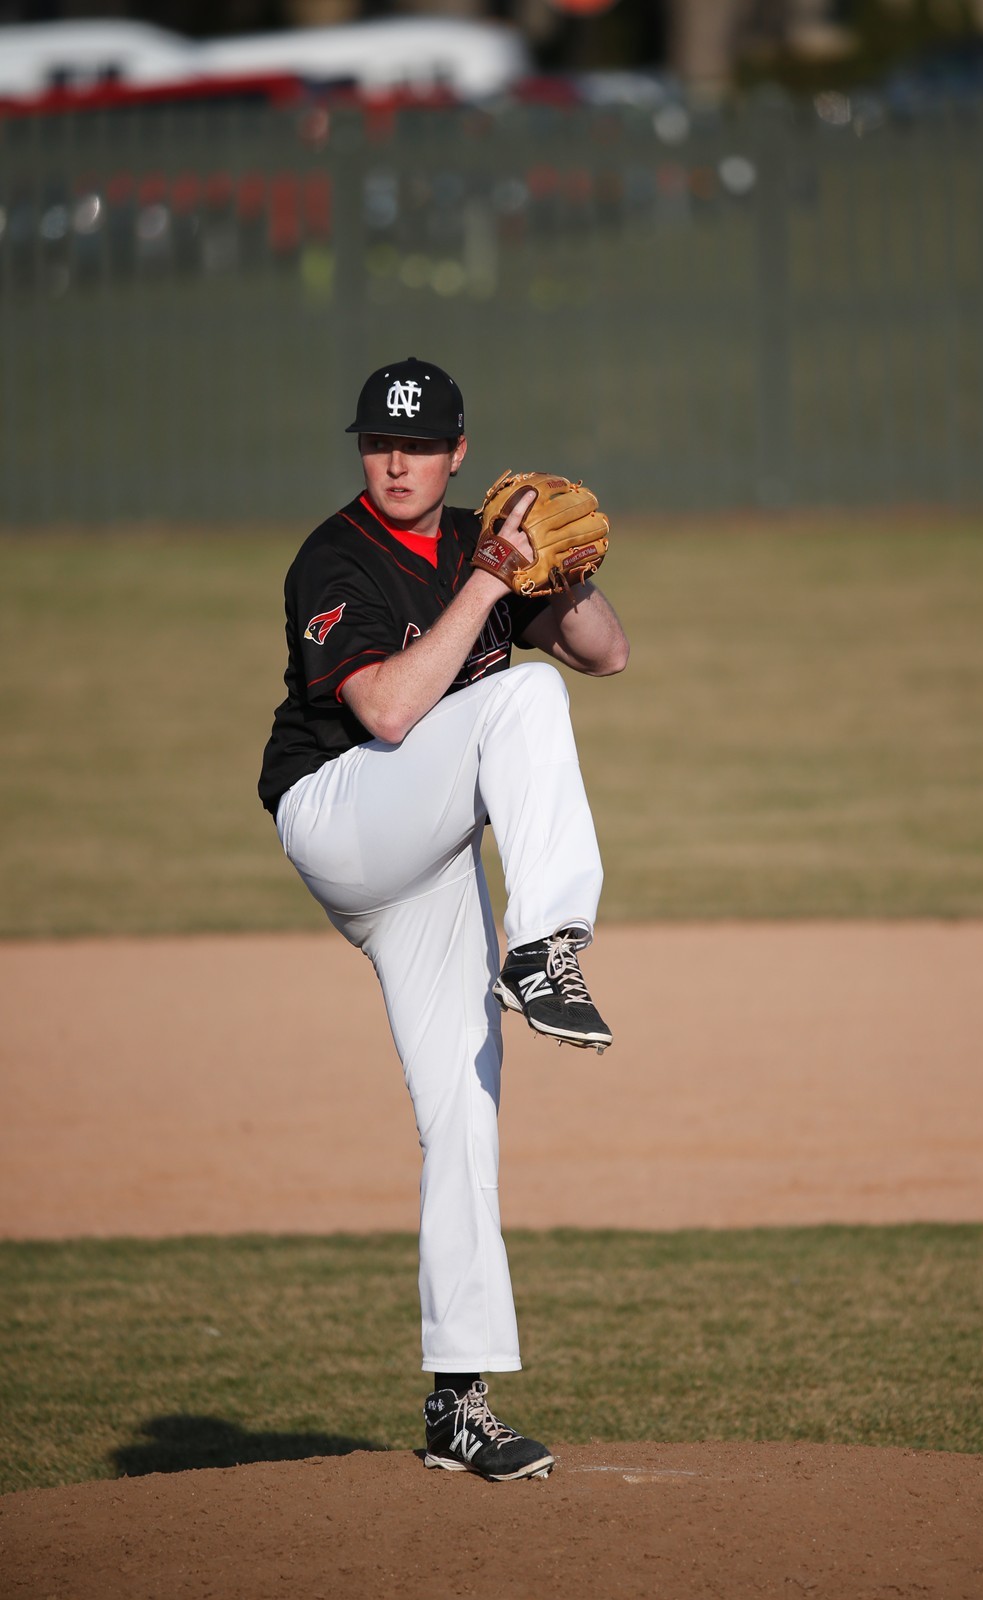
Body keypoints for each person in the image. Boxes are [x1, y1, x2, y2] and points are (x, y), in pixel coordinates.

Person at [258, 356, 629, 1482]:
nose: (398, 459)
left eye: (418, 444)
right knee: (519, 695)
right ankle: (548, 943)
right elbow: (381, 708)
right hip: (341, 815)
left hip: (426, 853)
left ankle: (455, 1404)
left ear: (457, 450)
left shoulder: (490, 534)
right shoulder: (334, 557)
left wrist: (560, 578)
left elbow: (607, 651)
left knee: (463, 1105)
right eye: (380, 441)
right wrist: (486, 583)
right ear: (362, 448)